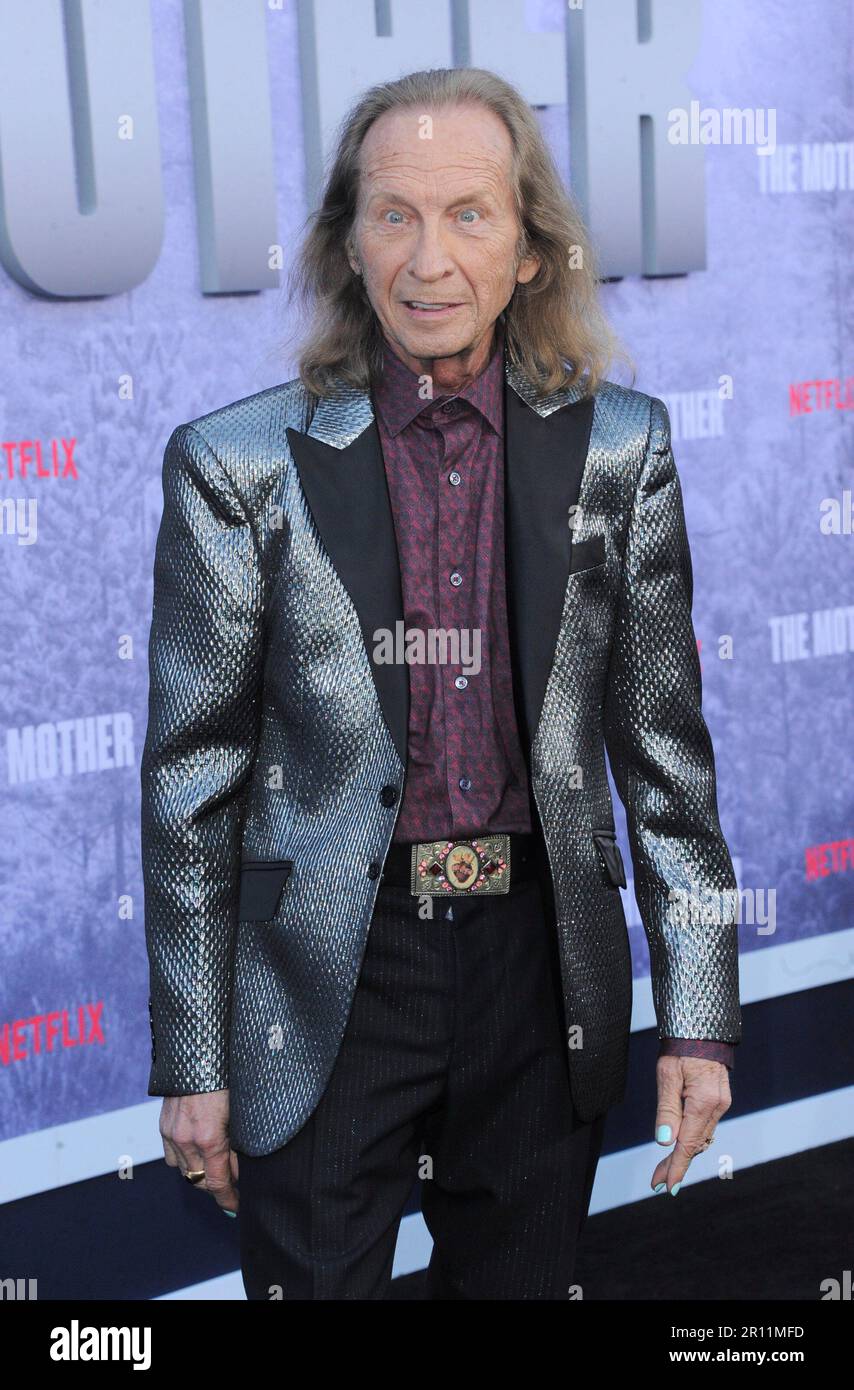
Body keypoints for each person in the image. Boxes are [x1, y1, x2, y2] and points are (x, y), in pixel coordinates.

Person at [141, 67, 741, 1300]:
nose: (428, 258)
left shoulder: (621, 447)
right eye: (392, 214)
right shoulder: (234, 466)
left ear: (528, 250)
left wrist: (697, 1020)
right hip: (325, 986)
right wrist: (192, 1054)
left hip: (537, 975)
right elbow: (191, 788)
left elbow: (667, 768)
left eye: (468, 213)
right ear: (344, 245)